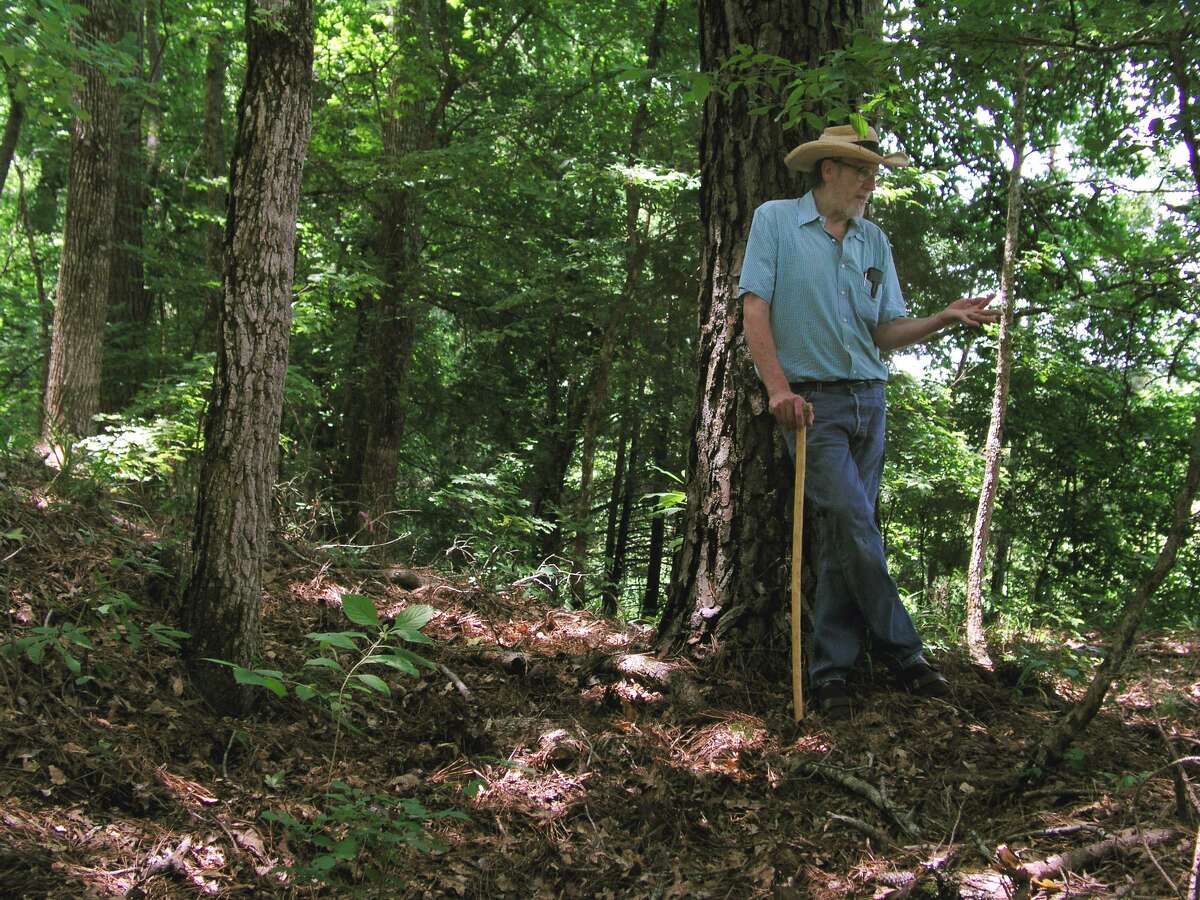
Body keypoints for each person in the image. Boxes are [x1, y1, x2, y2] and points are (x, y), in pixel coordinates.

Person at [738, 124, 999, 720]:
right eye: (862, 171)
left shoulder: (872, 239)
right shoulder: (775, 220)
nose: (870, 183)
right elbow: (755, 307)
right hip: (811, 405)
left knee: (841, 537)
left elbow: (885, 331)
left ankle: (831, 674)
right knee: (855, 524)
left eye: (874, 173)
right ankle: (906, 651)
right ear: (828, 170)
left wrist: (944, 317)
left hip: (869, 400)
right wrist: (778, 389)